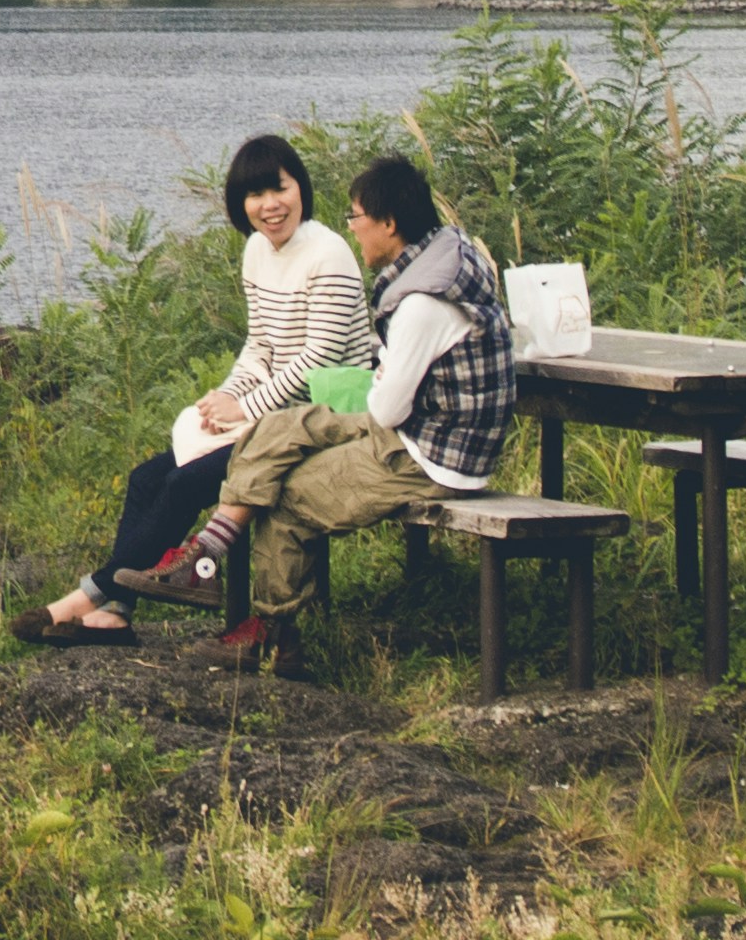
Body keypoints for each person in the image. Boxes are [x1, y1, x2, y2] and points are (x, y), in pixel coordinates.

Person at [115, 154, 513, 677]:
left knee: (290, 492)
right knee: (278, 426)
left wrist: (386, 369)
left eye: (356, 218)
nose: (353, 230)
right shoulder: (448, 254)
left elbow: (389, 406)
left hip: (432, 455)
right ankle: (206, 557)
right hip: (431, 429)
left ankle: (271, 634)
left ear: (388, 224)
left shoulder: (421, 300)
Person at [10, 132, 376, 646]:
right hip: (272, 416)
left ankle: (87, 596)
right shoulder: (257, 251)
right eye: (255, 195)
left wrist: (244, 406)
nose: (270, 206)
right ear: (239, 204)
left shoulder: (328, 254)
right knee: (147, 478)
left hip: (326, 419)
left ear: (302, 189)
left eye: (280, 189)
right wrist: (224, 398)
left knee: (184, 485)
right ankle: (115, 613)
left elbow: (318, 360)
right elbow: (261, 345)